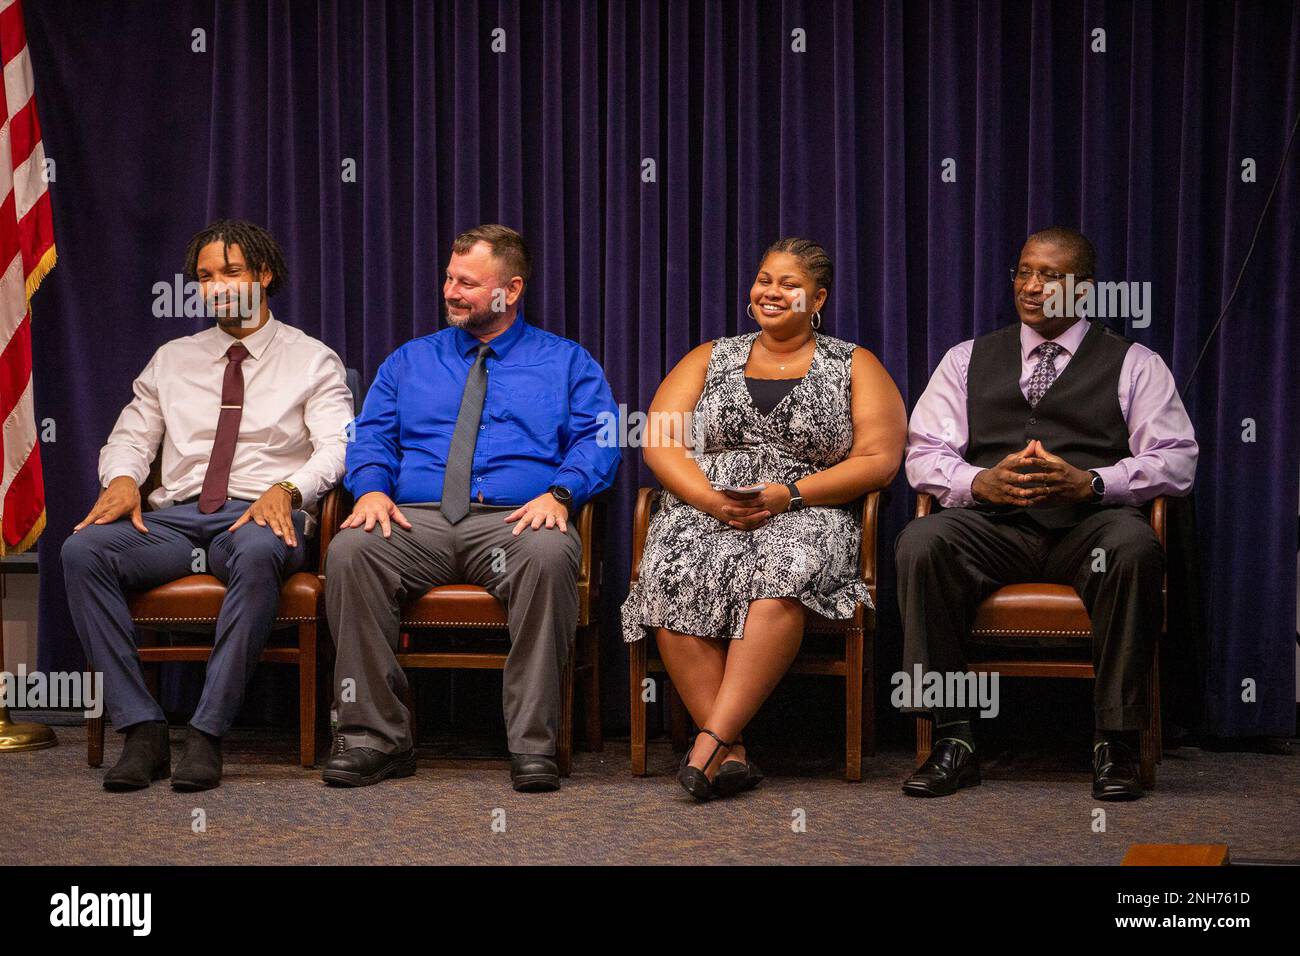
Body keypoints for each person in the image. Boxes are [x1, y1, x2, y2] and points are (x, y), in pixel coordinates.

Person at [897, 226, 1197, 801]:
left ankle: (1117, 741)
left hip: (1089, 528)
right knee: (922, 542)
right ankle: (953, 737)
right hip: (994, 529)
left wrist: (1091, 483)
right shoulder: (966, 359)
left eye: (1051, 277)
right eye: (1024, 272)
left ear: (1084, 290)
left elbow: (1176, 461)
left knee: (1133, 548)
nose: (1032, 287)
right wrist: (979, 482)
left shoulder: (1135, 363)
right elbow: (924, 454)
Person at [323, 224, 620, 792]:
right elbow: (372, 437)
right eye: (448, 278)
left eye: (468, 282)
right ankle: (374, 739)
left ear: (510, 289)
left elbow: (601, 438)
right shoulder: (409, 361)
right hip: (416, 521)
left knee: (549, 553)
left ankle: (533, 745)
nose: (451, 291)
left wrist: (561, 493)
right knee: (351, 549)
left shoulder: (566, 362)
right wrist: (371, 489)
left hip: (514, 522)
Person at [62, 219, 353, 792]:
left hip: (258, 513)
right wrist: (122, 478)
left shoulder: (313, 360)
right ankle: (142, 728)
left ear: (264, 275)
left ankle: (206, 732)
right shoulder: (173, 358)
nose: (217, 285)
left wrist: (288, 490)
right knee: (82, 551)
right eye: (204, 276)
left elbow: (339, 445)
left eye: (232, 271)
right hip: (175, 520)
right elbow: (131, 435)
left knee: (257, 551)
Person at [621, 237, 907, 801]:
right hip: (709, 502)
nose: (771, 292)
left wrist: (791, 494)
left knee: (782, 568)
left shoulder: (854, 364)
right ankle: (732, 752)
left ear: (817, 298)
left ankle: (709, 743)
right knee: (670, 568)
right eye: (764, 280)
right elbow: (659, 440)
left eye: (789, 284)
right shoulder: (712, 356)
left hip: (809, 508)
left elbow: (879, 460)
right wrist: (709, 500)